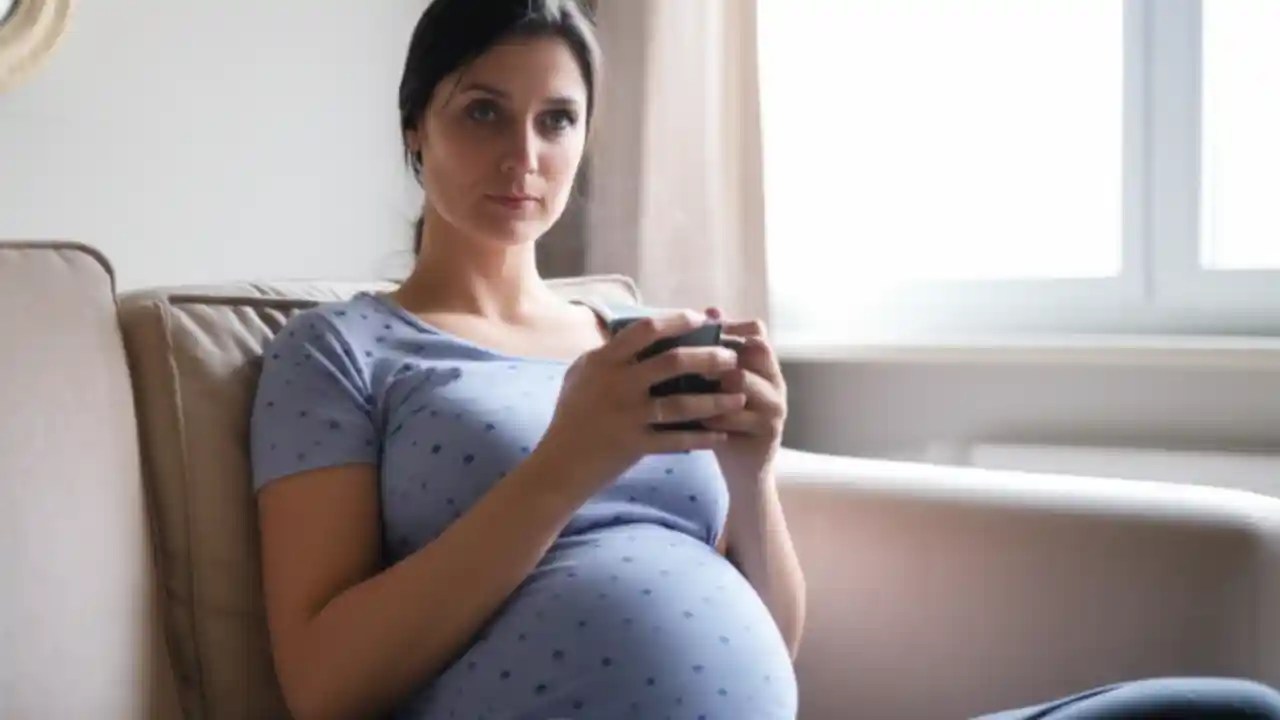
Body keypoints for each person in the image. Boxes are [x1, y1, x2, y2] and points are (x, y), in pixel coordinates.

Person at [248, 1, 1280, 719]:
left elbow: (769, 640)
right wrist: (565, 464)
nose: (525, 155)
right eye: (483, 111)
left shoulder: (635, 339)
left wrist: (753, 471)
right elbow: (326, 686)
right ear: (414, 132)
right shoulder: (340, 352)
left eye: (557, 120)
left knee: (1226, 711)